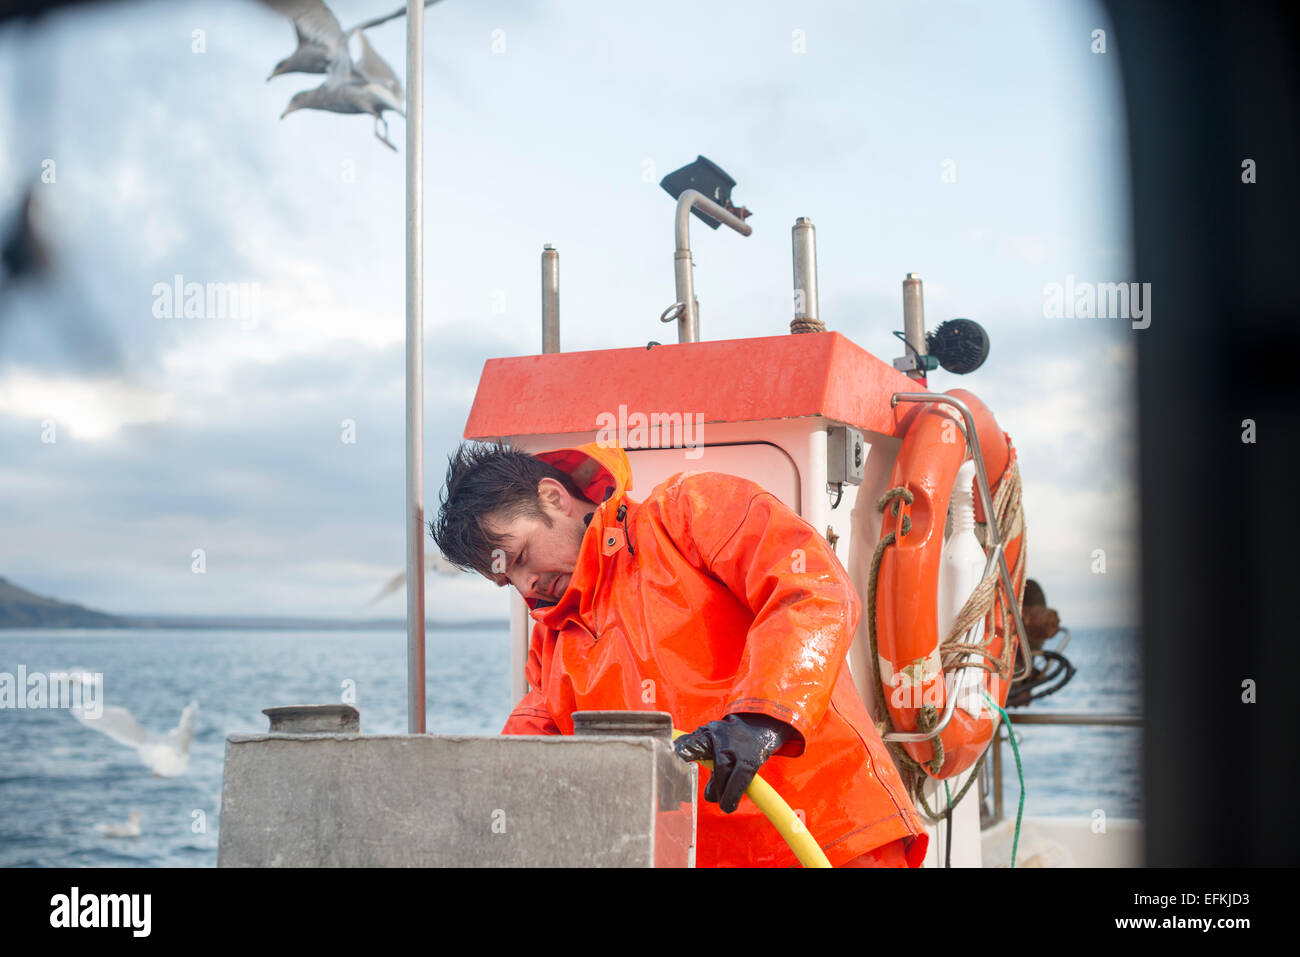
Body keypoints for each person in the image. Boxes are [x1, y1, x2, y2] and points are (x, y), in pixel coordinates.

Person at [431, 439, 929, 868]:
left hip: (832, 836)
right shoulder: (552, 640)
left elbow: (812, 591)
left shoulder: (690, 511)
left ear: (553, 498)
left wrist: (762, 719)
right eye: (507, 578)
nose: (526, 584)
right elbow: (526, 752)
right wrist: (478, 802)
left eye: (519, 557)